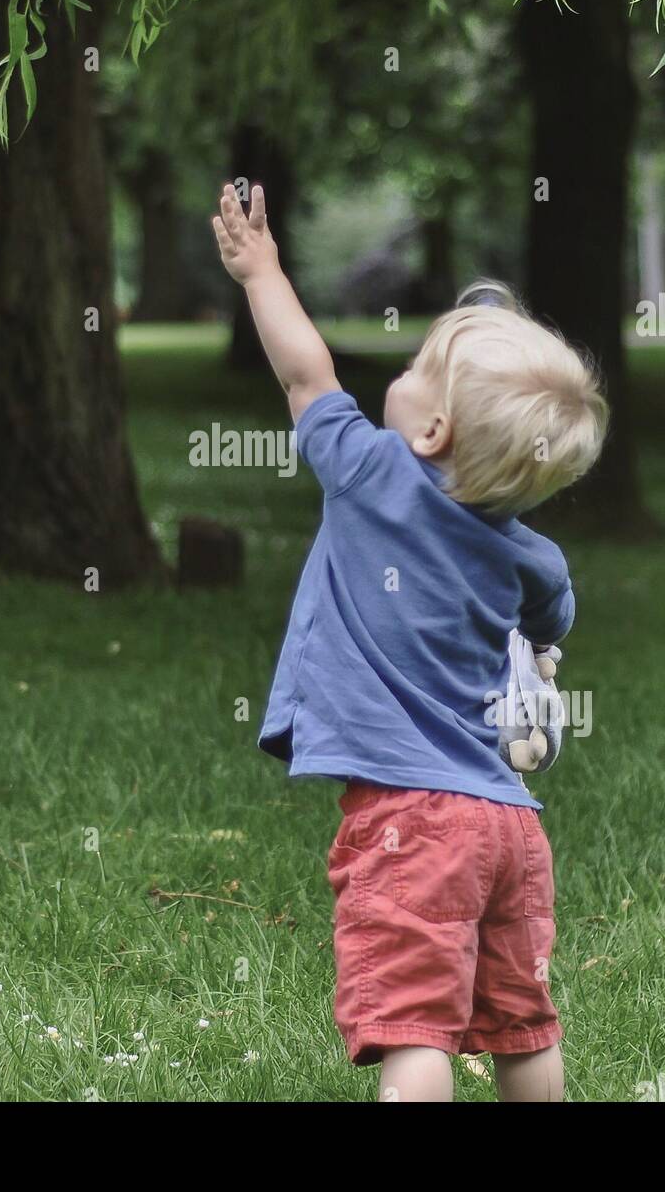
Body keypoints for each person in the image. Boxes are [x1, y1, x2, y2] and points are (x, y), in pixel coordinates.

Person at [211, 181, 607, 1101]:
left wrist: (262, 269)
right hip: (510, 826)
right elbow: (553, 620)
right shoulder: (528, 555)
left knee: (415, 1029)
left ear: (430, 430)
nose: (395, 377)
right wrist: (541, 653)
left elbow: (306, 375)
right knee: (520, 1021)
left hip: (409, 825)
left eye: (415, 373)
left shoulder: (369, 475)